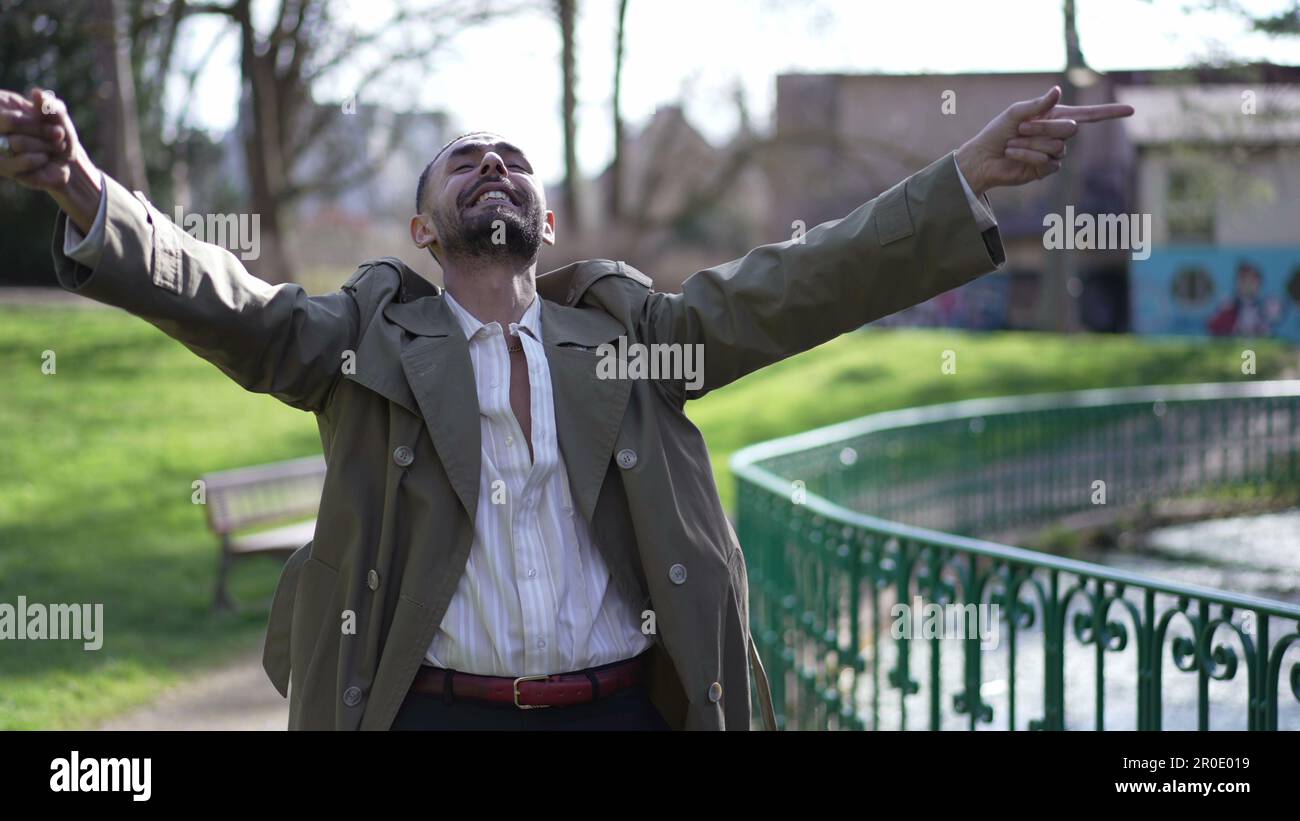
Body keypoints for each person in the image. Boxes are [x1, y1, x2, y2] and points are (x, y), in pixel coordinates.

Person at [0, 85, 1132, 730]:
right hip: (431, 711)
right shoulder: (359, 345)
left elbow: (802, 281)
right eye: (464, 163)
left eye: (514, 162)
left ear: (544, 224)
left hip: (619, 711)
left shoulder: (638, 340)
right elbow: (231, 300)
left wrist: (960, 182)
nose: (493, 167)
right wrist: (85, 192)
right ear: (423, 230)